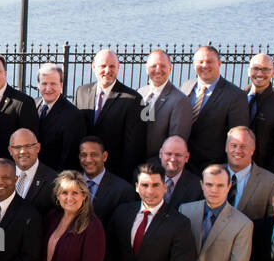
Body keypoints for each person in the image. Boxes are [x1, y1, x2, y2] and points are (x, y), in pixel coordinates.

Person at [74, 48, 143, 181]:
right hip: (83, 170)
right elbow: (76, 131)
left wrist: (124, 178)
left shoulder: (133, 99)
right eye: (103, 66)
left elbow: (133, 146)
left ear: (118, 68)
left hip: (113, 173)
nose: (107, 70)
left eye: (112, 66)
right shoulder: (81, 91)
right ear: (94, 67)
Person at [180, 45, 249, 173]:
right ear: (194, 64)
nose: (205, 65)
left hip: (213, 167)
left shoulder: (235, 96)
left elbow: (237, 136)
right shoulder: (186, 86)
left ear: (219, 63)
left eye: (210, 61)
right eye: (200, 62)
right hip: (183, 164)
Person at [137, 49, 193, 164]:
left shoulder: (180, 100)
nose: (158, 70)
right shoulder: (140, 92)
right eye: (153, 66)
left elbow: (176, 142)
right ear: (146, 68)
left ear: (170, 68)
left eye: (162, 66)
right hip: (135, 164)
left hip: (158, 166)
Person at [224, 126, 274, 220]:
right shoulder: (211, 173)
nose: (238, 151)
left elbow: (273, 223)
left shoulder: (272, 183)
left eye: (243, 146)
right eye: (233, 145)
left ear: (252, 150)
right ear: (226, 147)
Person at [35, 63, 86, 172]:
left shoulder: (73, 115)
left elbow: (70, 157)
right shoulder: (33, 105)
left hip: (55, 177)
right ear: (38, 85)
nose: (48, 88)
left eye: (53, 83)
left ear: (61, 85)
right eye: (44, 83)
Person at [8, 129, 57, 212]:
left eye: (28, 146)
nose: (23, 151)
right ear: (10, 151)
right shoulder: (1, 176)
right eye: (17, 147)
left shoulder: (54, 181)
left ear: (38, 148)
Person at [158, 135, 202, 209]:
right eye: (168, 154)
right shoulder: (146, 177)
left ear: (187, 157)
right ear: (160, 154)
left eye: (178, 155)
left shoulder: (197, 186)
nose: (172, 159)